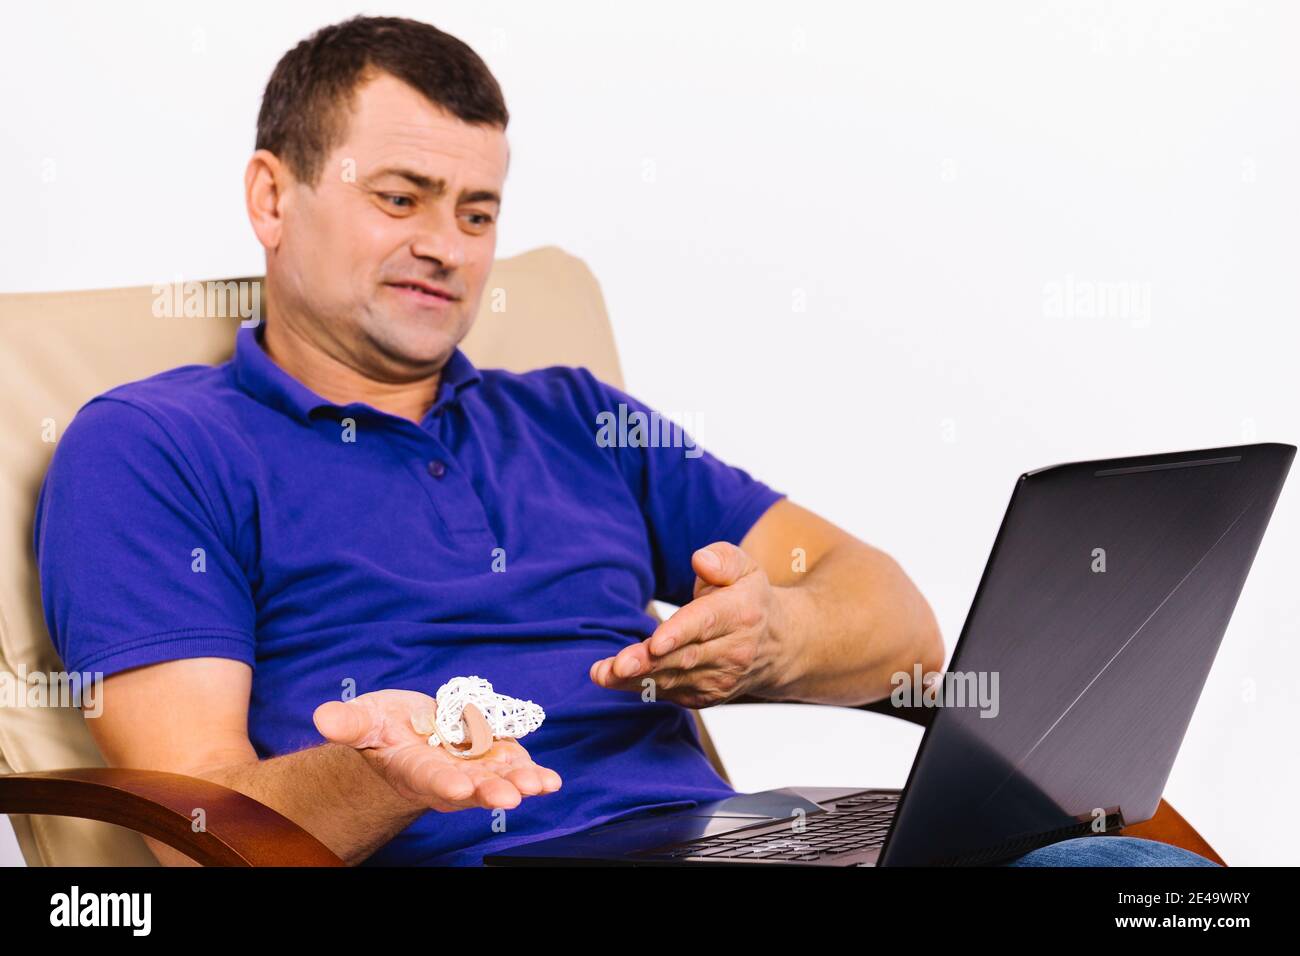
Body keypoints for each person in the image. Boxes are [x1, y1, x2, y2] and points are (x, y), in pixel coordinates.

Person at [32, 15, 1211, 868]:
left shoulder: (572, 418)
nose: (448, 246)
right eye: (401, 196)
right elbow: (195, 830)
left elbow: (897, 619)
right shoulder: (151, 447)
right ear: (273, 197)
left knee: (1140, 879)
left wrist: (776, 636)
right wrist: (386, 770)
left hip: (753, 846)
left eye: (477, 210)